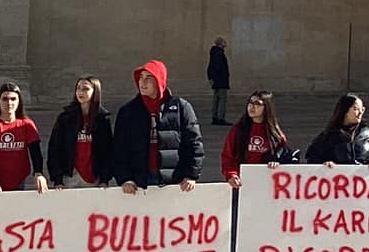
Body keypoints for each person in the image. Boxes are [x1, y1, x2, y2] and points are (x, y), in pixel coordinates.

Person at [113, 59, 203, 192]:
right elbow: (119, 149)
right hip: (138, 183)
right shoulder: (127, 111)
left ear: (159, 81)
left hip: (173, 182)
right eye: (140, 78)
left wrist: (191, 174)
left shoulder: (181, 107)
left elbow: (194, 144)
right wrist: (125, 178)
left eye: (148, 78)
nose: (142, 82)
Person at [47, 76, 113, 188]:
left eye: (85, 89)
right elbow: (55, 148)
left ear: (95, 91)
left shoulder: (102, 119)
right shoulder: (65, 118)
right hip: (69, 176)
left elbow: (107, 151)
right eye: (78, 88)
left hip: (95, 178)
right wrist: (57, 179)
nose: (80, 92)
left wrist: (104, 178)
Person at [0, 83, 47, 193]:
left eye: (13, 99)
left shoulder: (27, 125)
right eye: (5, 99)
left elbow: (35, 153)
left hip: (20, 183)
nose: (9, 103)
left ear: (19, 102)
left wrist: (38, 173)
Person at [221, 91, 298, 183]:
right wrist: (231, 174)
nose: (252, 106)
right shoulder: (238, 130)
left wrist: (277, 163)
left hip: (267, 182)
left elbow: (283, 157)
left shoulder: (275, 134)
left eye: (257, 104)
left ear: (266, 108)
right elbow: (227, 156)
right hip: (242, 181)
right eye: (250, 102)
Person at [306, 92, 369, 166]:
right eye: (356, 109)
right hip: (337, 176)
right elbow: (312, 157)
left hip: (363, 176)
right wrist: (325, 164)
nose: (360, 113)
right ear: (345, 110)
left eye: (362, 109)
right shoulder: (328, 135)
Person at [207, 37, 232, 126]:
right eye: (224, 42)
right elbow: (218, 67)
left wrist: (211, 78)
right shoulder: (219, 54)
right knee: (222, 99)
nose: (225, 43)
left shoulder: (214, 53)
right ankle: (220, 118)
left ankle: (215, 117)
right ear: (220, 44)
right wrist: (217, 78)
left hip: (216, 80)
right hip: (221, 80)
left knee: (216, 99)